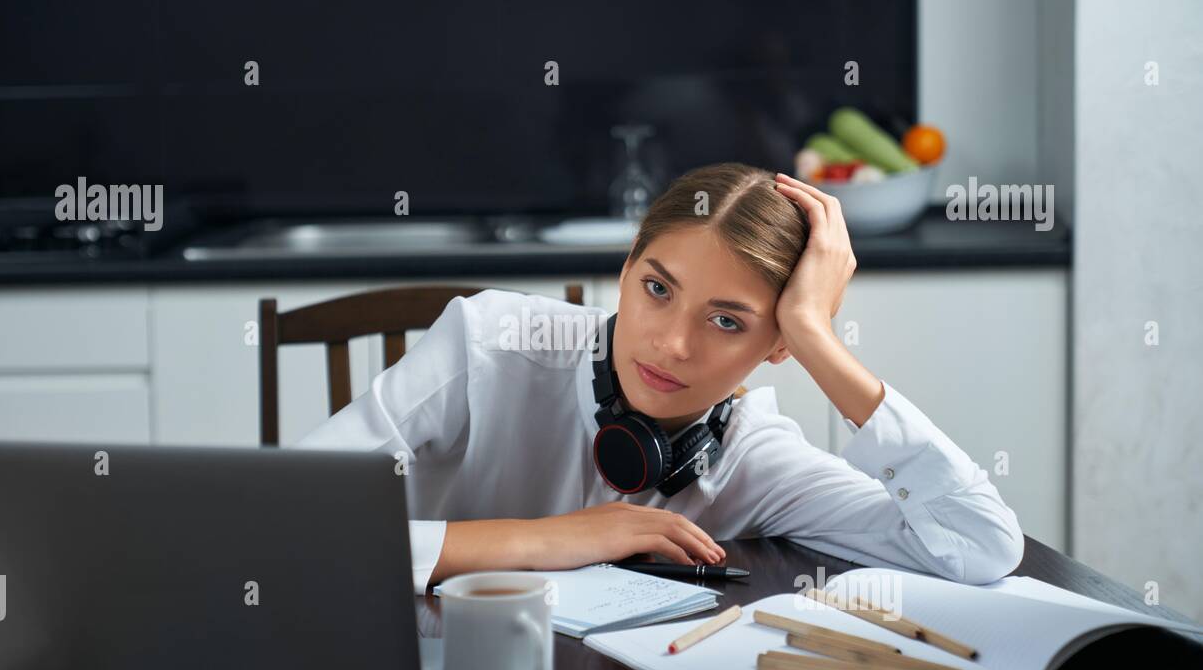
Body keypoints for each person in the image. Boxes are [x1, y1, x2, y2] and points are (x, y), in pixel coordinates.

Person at [296, 163, 1025, 595]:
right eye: (657, 288)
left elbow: (977, 543)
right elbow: (285, 523)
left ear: (777, 347)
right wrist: (545, 540)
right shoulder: (491, 341)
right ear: (625, 268)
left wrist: (815, 334)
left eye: (729, 321)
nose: (673, 344)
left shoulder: (755, 455)